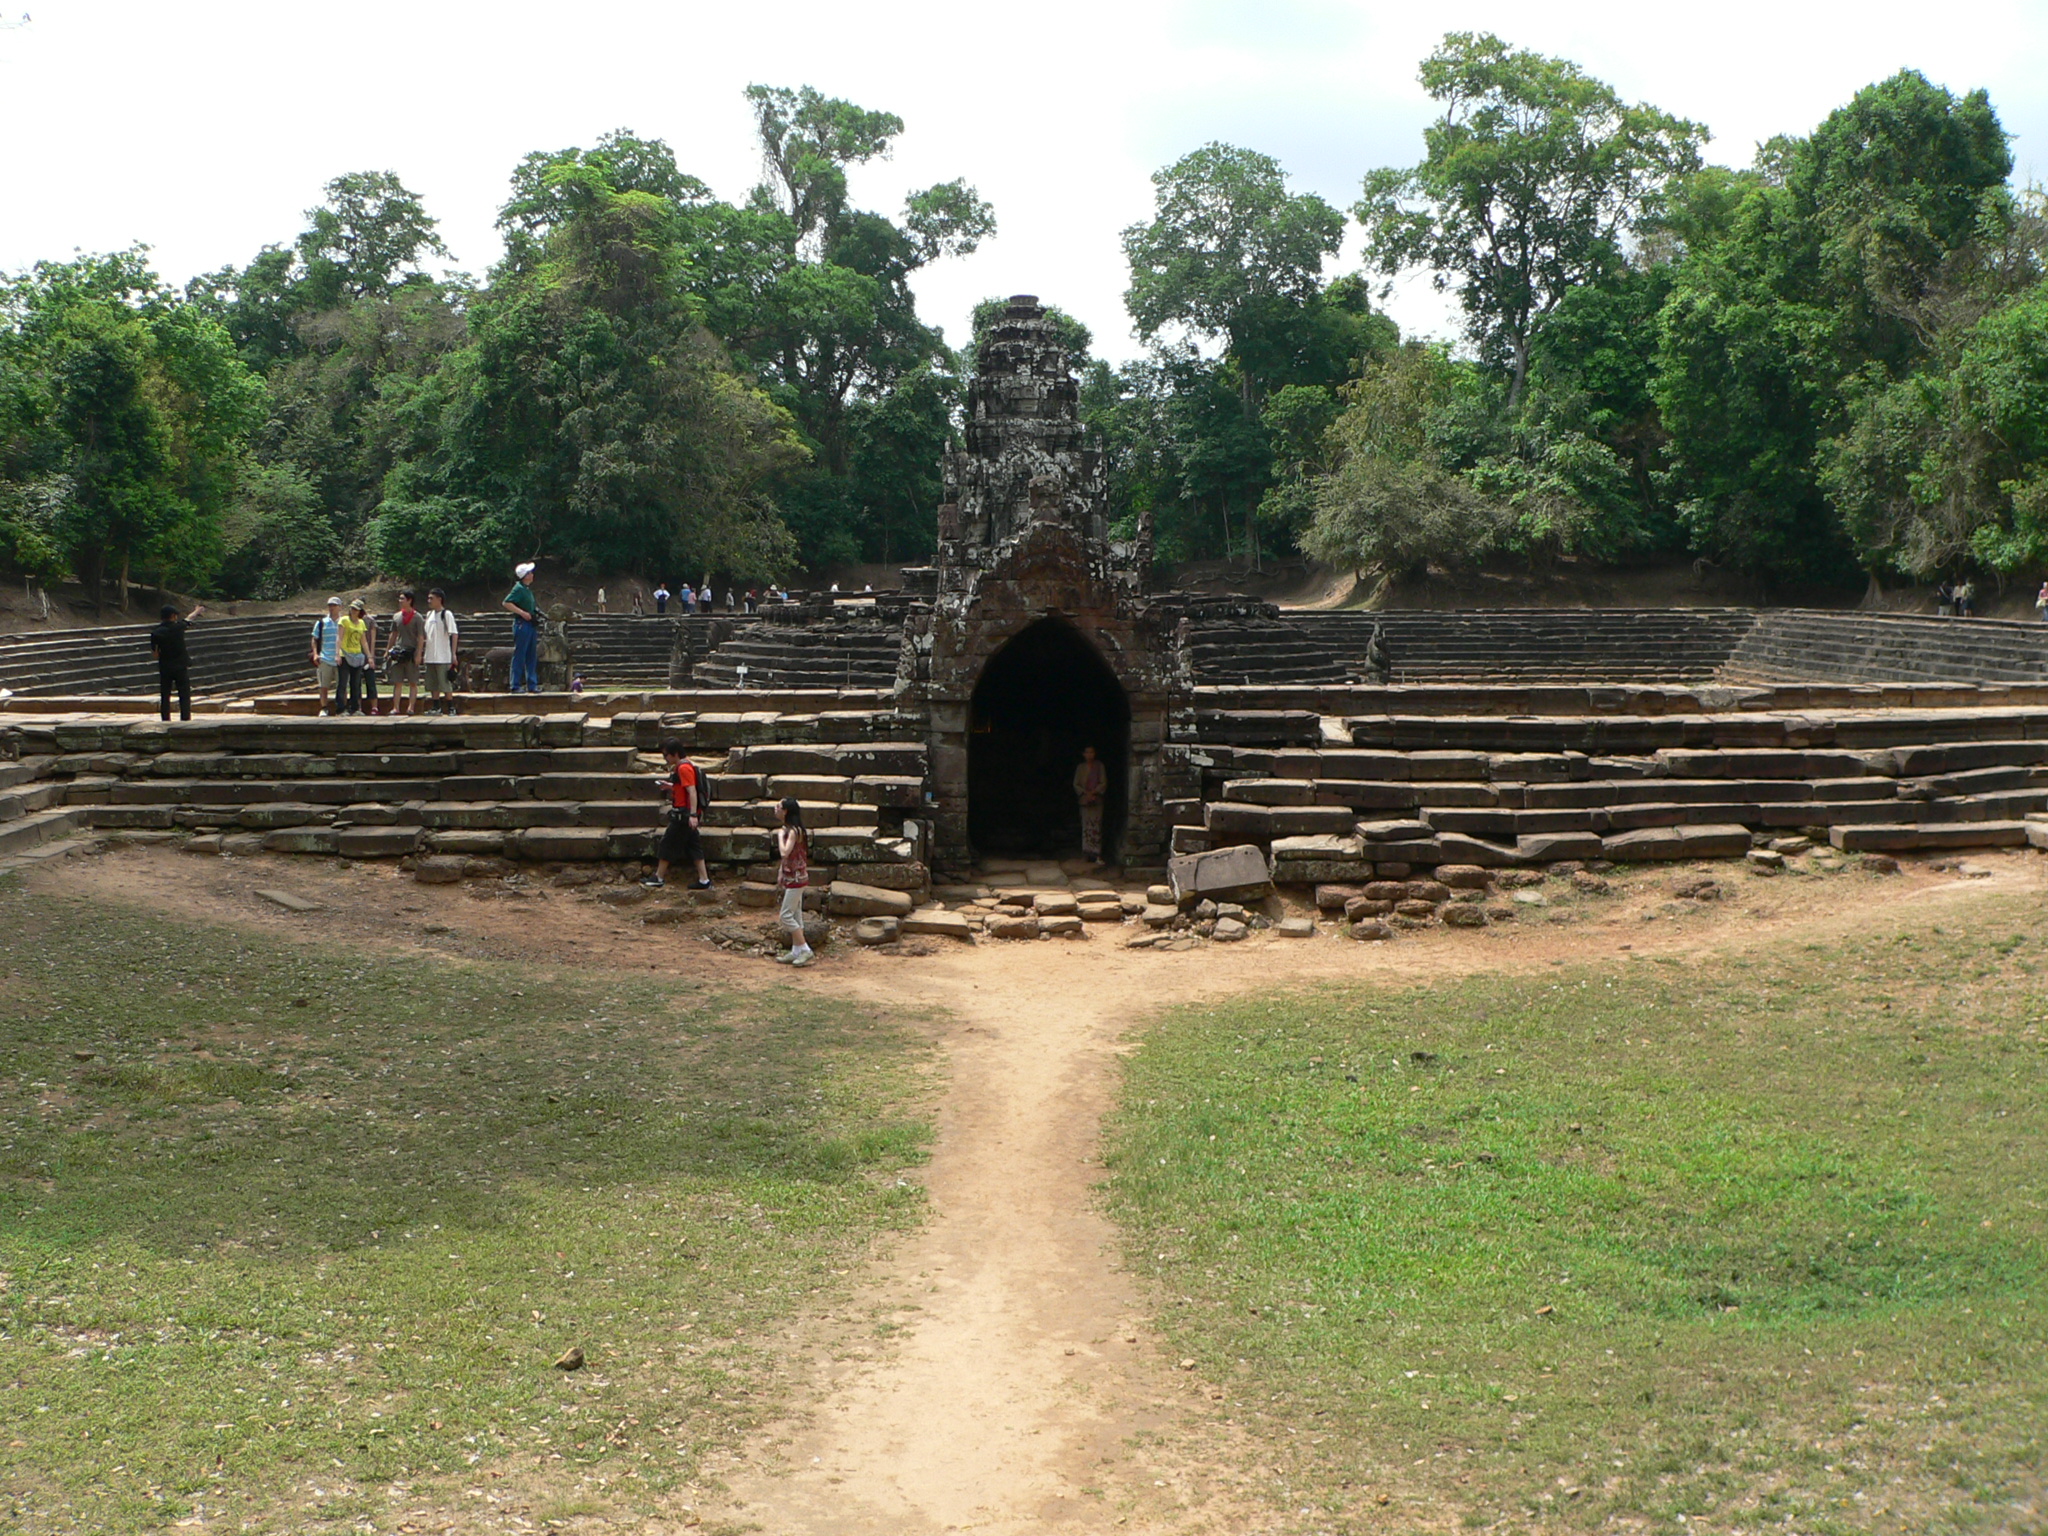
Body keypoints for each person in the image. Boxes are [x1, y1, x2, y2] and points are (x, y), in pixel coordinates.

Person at [643, 736, 712, 890]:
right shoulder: (685, 766)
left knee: (668, 843)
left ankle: (659, 877)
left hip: (684, 815)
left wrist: (692, 815)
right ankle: (704, 880)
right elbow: (684, 788)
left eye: (666, 755)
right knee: (693, 846)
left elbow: (692, 791)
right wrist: (670, 786)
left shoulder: (683, 768)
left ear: (675, 754)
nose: (665, 758)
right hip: (687, 813)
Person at [148, 600, 204, 722]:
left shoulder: (156, 632)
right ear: (173, 616)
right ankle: (185, 718)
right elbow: (189, 619)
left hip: (165, 666)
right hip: (180, 666)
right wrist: (197, 611)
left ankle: (165, 718)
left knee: (165, 694)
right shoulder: (178, 628)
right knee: (184, 693)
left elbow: (155, 654)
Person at [774, 797, 813, 967]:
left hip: (797, 878)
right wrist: (781, 872)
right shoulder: (790, 829)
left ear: (786, 811)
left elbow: (785, 852)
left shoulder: (792, 831)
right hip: (793, 877)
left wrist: (779, 837)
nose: (775, 809)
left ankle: (805, 949)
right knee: (796, 914)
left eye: (778, 807)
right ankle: (796, 949)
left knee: (786, 915)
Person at [421, 588, 460, 714]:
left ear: (439, 599)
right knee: (432, 683)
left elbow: (454, 634)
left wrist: (453, 654)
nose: (429, 601)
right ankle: (436, 707)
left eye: (432, 598)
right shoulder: (429, 615)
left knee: (445, 683)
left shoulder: (446, 614)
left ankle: (450, 707)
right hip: (430, 655)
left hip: (443, 656)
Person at [504, 561, 542, 692]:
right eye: (530, 573)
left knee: (531, 654)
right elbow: (507, 603)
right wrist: (522, 613)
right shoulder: (518, 588)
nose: (532, 575)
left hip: (530, 624)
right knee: (520, 654)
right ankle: (515, 685)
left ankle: (532, 684)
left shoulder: (526, 590)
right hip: (522, 624)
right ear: (525, 576)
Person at [384, 590, 423, 716]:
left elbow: (421, 637)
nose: (400, 601)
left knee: (413, 682)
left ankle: (411, 708)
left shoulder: (418, 617)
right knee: (398, 682)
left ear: (409, 600)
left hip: (411, 652)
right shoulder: (396, 616)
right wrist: (387, 650)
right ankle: (396, 707)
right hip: (398, 652)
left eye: (402, 599)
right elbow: (393, 634)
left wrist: (419, 654)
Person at [1073, 744, 1107, 865]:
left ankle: (1097, 854)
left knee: (1096, 827)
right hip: (1084, 800)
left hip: (1096, 800)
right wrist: (1085, 793)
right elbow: (1076, 784)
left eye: (1091, 752)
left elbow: (1103, 782)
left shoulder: (1099, 766)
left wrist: (1094, 792)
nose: (1089, 755)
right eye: (1087, 752)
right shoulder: (1080, 768)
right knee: (1086, 826)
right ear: (1083, 754)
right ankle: (1086, 853)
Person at [338, 598, 373, 715]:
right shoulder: (344, 620)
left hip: (357, 655)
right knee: (343, 683)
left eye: (356, 609)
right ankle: (341, 709)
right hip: (345, 654)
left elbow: (364, 641)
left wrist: (369, 656)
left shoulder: (361, 623)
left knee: (356, 683)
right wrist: (337, 653)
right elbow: (339, 638)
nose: (353, 611)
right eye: (352, 608)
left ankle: (354, 708)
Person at [310, 597, 343, 715]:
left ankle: (341, 709)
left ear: (340, 607)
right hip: (325, 657)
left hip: (340, 658)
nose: (331, 607)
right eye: (330, 605)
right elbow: (315, 639)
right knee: (323, 686)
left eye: (334, 605)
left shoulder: (343, 622)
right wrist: (315, 654)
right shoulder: (321, 622)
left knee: (341, 686)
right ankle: (324, 708)